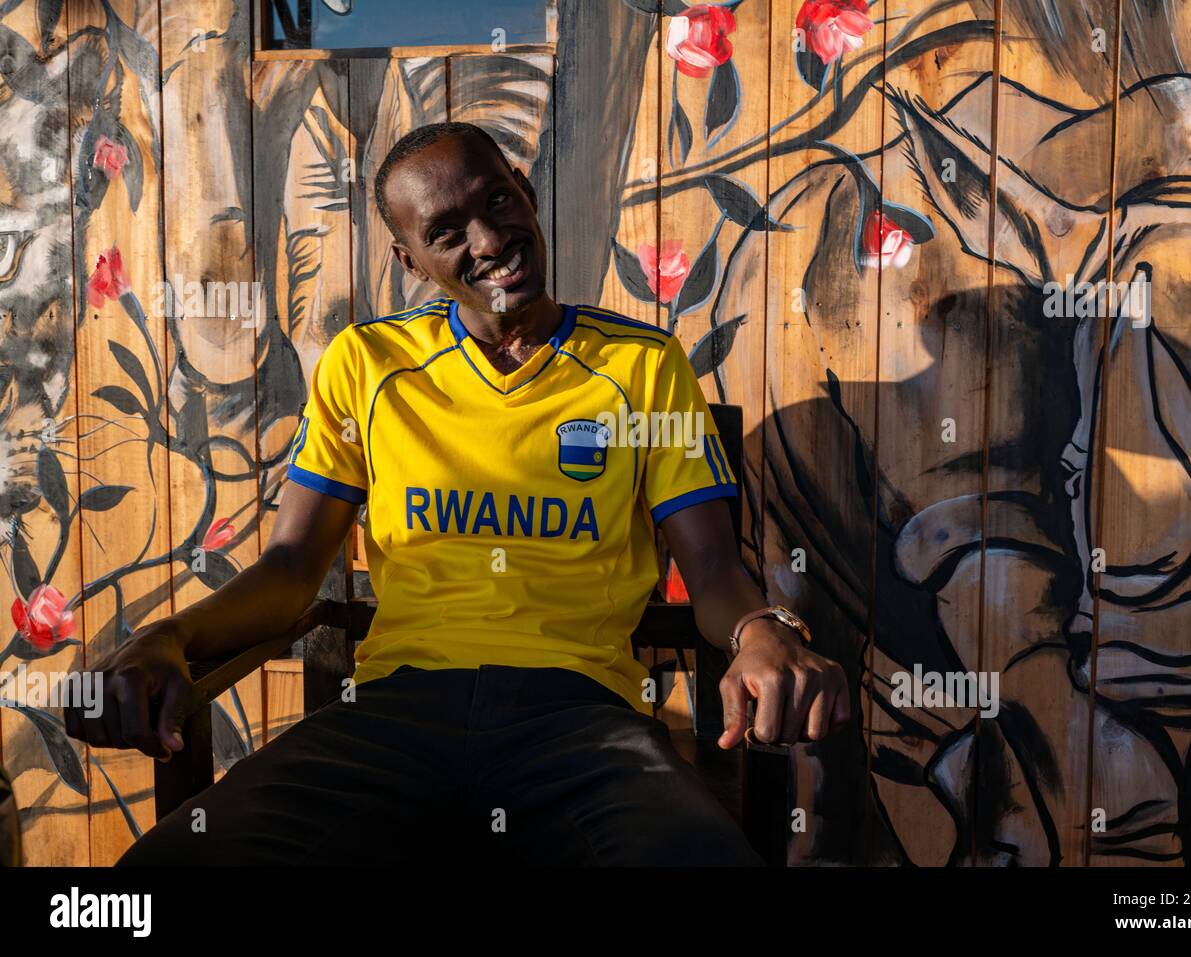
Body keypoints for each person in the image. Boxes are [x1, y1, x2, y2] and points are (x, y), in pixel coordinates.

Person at [65, 122, 851, 866]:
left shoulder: (642, 367)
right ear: (413, 261)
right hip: (393, 715)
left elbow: (711, 571)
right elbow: (291, 566)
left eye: (497, 201)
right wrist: (167, 636)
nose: (489, 240)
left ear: (525, 192)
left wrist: (760, 629)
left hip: (581, 718)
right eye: (446, 232)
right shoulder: (368, 364)